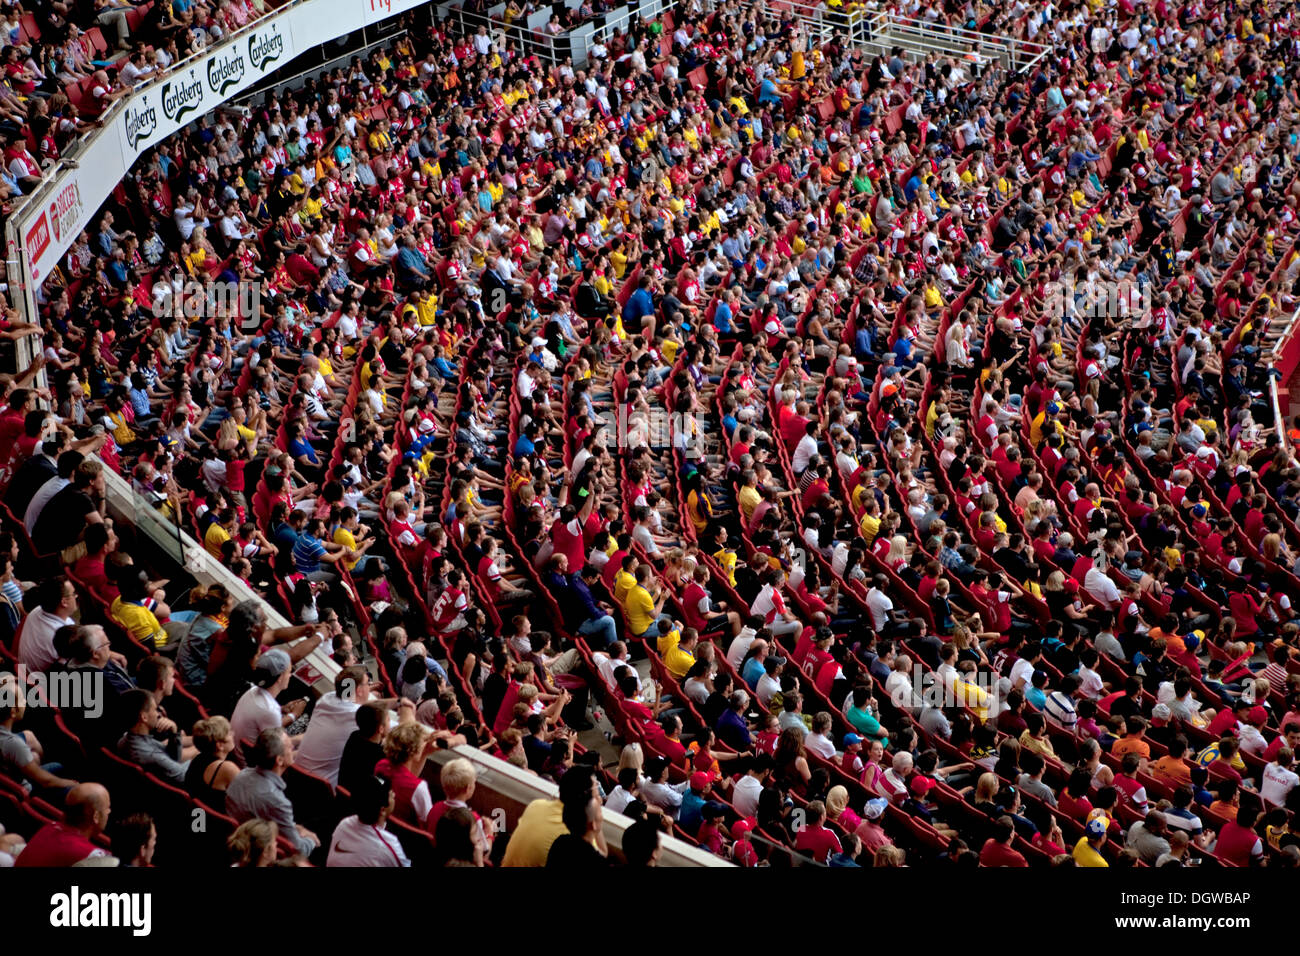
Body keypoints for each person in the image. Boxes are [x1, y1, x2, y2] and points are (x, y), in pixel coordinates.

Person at [225, 727, 320, 858]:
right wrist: (311, 840)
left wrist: (297, 828)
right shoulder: (276, 801)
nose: (292, 746)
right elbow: (298, 850)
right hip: (257, 854)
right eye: (288, 746)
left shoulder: (241, 776)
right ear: (279, 760)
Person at [16, 783, 114, 866]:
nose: (108, 812)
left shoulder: (48, 827)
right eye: (107, 808)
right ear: (96, 816)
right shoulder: (92, 856)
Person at [326, 773, 410, 867]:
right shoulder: (388, 845)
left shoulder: (344, 824)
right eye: (391, 795)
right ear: (382, 810)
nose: (394, 795)